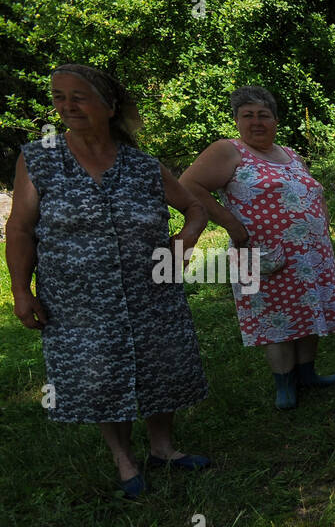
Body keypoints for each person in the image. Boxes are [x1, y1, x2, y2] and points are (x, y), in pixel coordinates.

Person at [6, 65, 211, 497]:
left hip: (151, 288)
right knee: (99, 372)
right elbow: (21, 229)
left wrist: (185, 240)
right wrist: (20, 290)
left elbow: (195, 207)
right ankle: (123, 459)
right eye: (59, 97)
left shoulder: (140, 164)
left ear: (110, 105)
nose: (67, 106)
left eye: (79, 96)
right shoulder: (39, 157)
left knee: (160, 364)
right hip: (77, 298)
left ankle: (163, 449)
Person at [179, 86, 335, 409]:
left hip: (309, 253)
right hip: (263, 254)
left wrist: (322, 220)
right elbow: (188, 185)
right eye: (248, 115)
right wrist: (229, 222)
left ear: (275, 120)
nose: (256, 122)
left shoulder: (291, 154)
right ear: (237, 120)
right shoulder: (229, 151)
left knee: (306, 308)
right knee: (276, 316)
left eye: (263, 115)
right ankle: (285, 385)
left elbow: (313, 190)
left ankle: (307, 375)